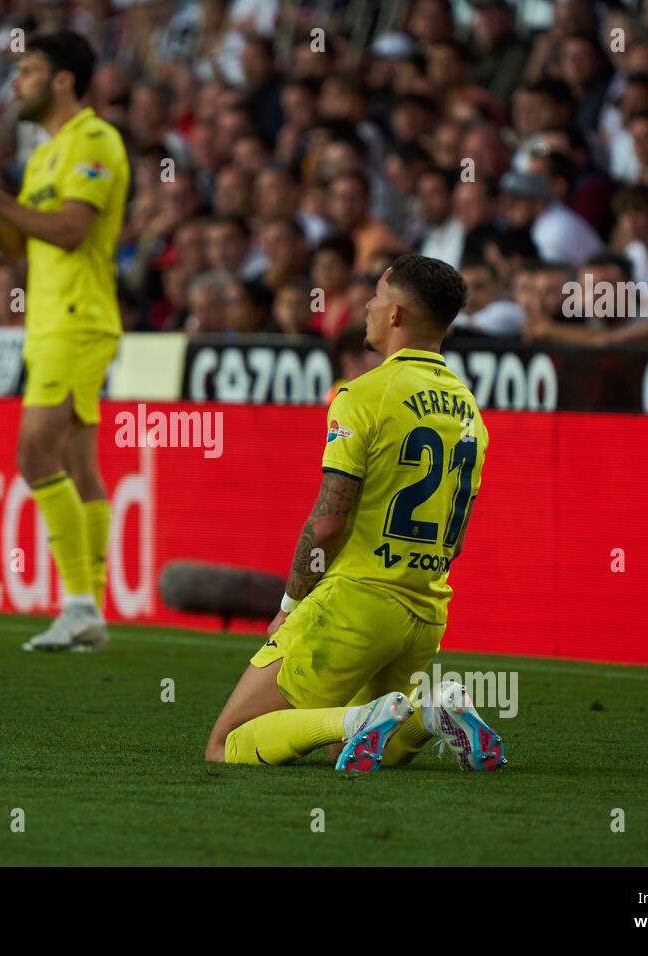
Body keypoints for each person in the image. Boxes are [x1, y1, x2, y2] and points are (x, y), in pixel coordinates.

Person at [204, 255, 505, 773]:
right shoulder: (470, 411)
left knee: (227, 743)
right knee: (359, 747)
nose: (366, 305)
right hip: (425, 609)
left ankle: (357, 718)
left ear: (395, 316)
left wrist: (290, 603)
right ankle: (434, 712)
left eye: (377, 296)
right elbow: (456, 540)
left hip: (356, 602)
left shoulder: (360, 396)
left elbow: (328, 521)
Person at [0, 30, 129, 652]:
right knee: (80, 466)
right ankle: (89, 615)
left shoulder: (94, 140)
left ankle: (79, 604)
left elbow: (67, 231)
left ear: (63, 79)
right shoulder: (41, 155)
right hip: (49, 322)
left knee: (34, 457)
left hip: (76, 319)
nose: (16, 82)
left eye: (29, 70)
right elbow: (17, 245)